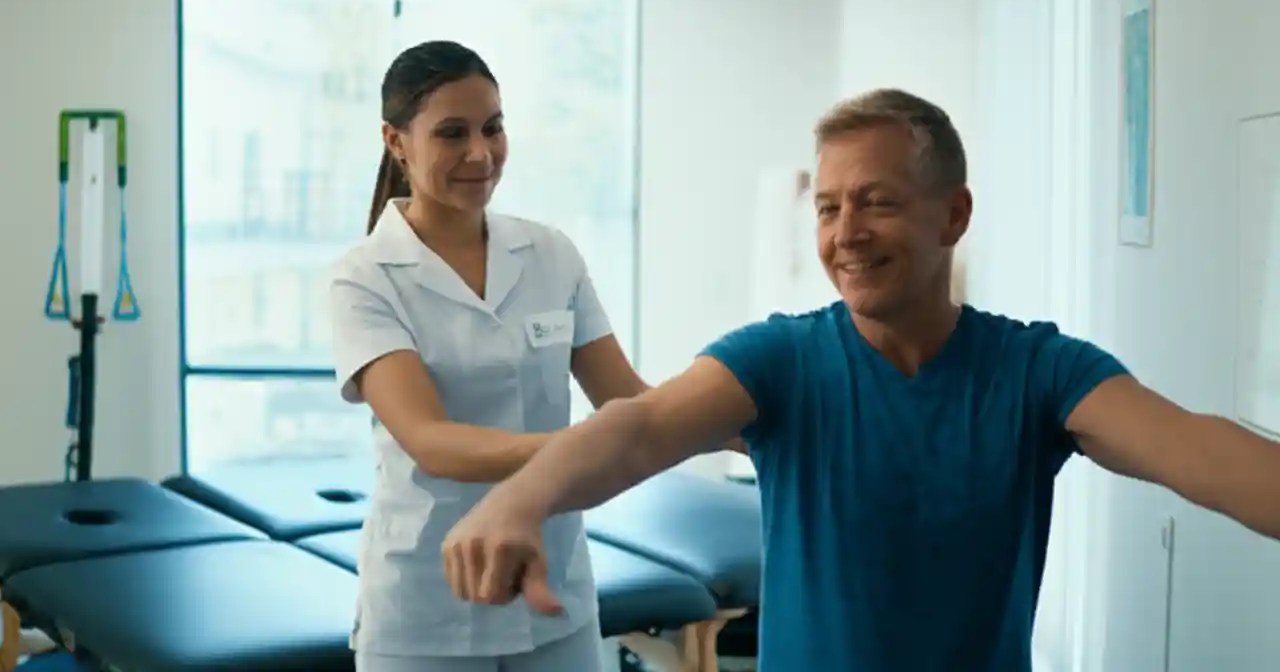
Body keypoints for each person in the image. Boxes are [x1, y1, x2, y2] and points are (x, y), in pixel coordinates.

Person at [438, 88, 1280, 671]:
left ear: (953, 214)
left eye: (874, 202)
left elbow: (1194, 447)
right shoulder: (782, 361)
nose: (846, 234)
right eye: (829, 206)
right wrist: (524, 496)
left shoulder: (1036, 371)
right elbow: (643, 426)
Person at [327, 40, 650, 672]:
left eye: (493, 128)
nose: (481, 153)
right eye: (452, 134)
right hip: (425, 612)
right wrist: (589, 445)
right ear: (396, 142)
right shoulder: (365, 278)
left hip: (555, 591)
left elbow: (628, 399)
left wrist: (742, 416)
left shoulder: (551, 254)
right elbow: (433, 442)